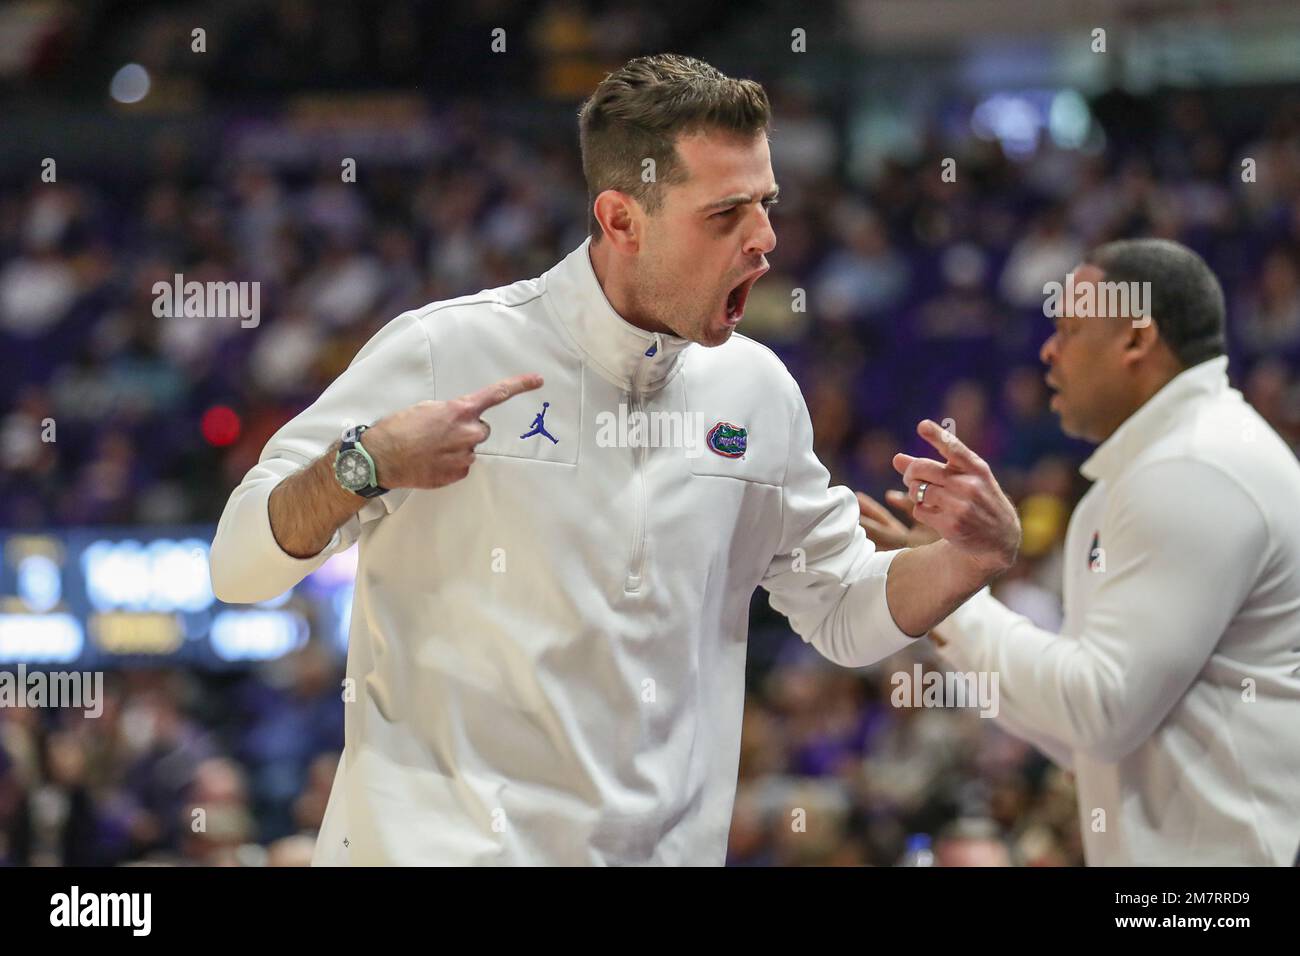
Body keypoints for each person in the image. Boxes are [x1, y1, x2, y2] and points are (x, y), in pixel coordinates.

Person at [209, 54, 1020, 865]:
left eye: (766, 205)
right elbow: (239, 566)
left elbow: (842, 610)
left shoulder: (757, 389)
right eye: (726, 214)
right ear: (622, 219)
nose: (766, 241)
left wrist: (970, 558)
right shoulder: (445, 349)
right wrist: (368, 464)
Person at [860, 239, 1300, 865]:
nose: (1047, 350)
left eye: (1068, 328)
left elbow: (1100, 710)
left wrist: (952, 594)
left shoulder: (1196, 468)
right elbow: (1093, 736)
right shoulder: (1159, 466)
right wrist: (943, 591)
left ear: (1135, 341)